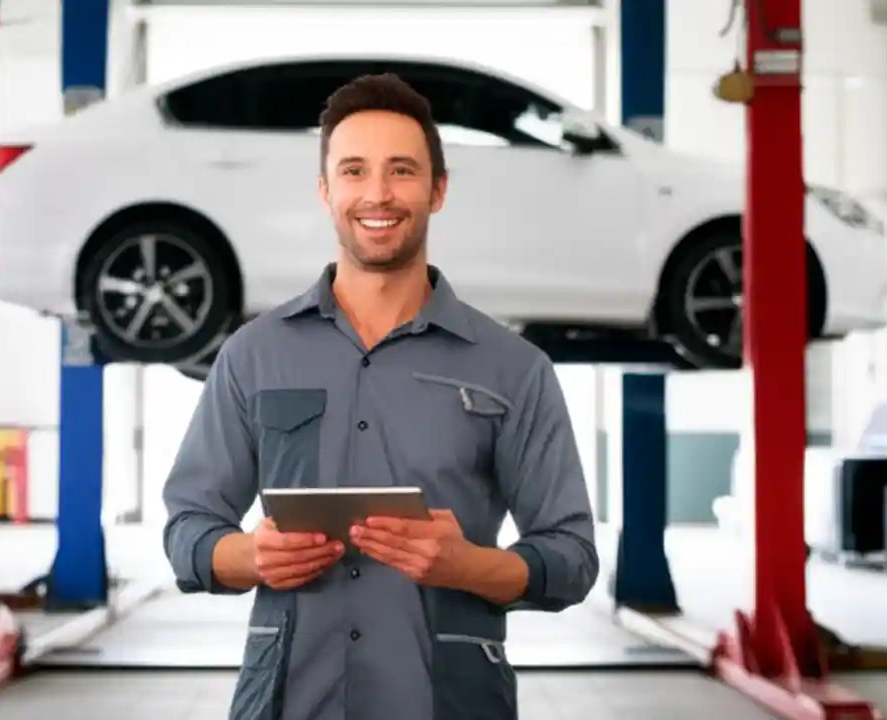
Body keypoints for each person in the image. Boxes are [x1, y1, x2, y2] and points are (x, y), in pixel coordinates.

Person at [162, 72, 599, 720]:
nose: (377, 193)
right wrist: (251, 556)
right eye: (354, 170)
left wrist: (470, 566)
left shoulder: (514, 370)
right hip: (290, 703)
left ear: (438, 189)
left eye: (401, 170)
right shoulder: (254, 355)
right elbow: (187, 531)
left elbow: (572, 556)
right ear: (325, 190)